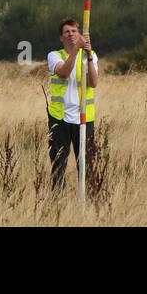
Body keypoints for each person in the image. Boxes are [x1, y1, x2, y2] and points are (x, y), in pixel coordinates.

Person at [47, 18, 97, 190]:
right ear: (61, 37)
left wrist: (89, 55)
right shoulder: (54, 56)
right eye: (67, 32)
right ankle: (57, 202)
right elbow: (64, 73)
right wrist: (76, 49)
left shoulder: (89, 56)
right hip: (60, 118)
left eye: (74, 31)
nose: (71, 35)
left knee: (87, 165)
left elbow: (93, 82)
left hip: (84, 118)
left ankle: (89, 201)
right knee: (58, 164)